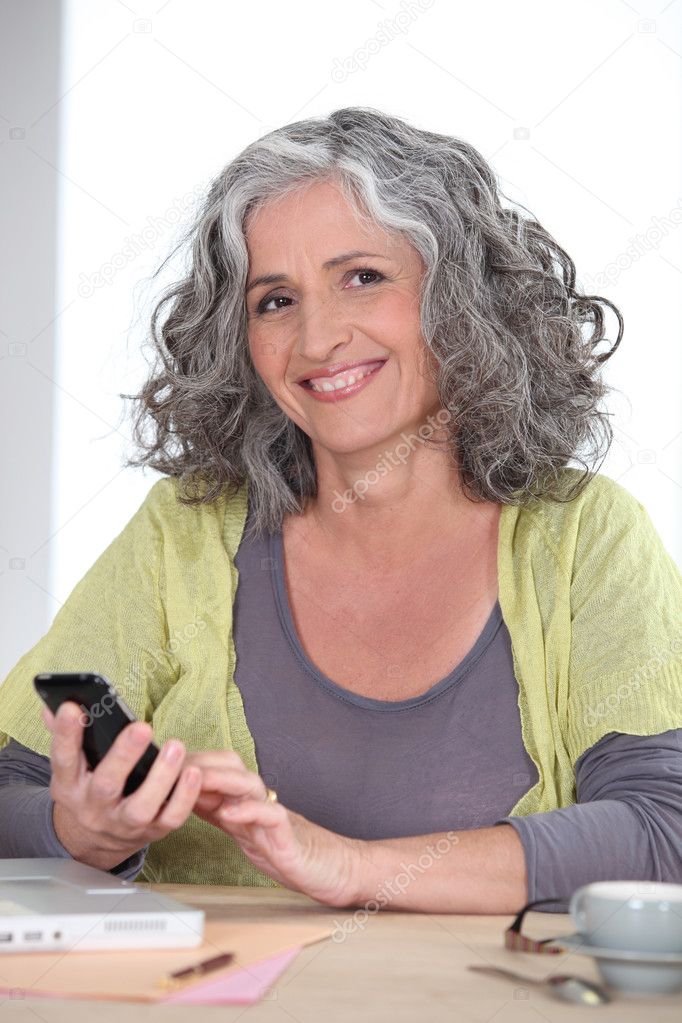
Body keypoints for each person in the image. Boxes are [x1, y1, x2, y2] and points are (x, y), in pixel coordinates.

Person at [1, 106, 681, 915]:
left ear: (457, 297)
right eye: (275, 301)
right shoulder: (182, 536)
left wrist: (351, 865)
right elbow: (14, 791)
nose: (318, 338)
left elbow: (662, 835)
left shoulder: (584, 537)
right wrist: (88, 835)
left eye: (362, 277)